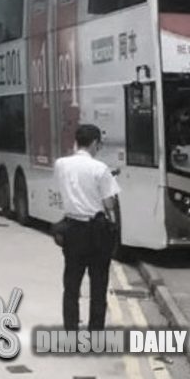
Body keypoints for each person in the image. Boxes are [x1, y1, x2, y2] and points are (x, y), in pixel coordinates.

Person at [54, 124, 121, 331]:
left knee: (72, 285)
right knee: (98, 285)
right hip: (96, 230)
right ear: (94, 143)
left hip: (72, 228)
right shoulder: (100, 169)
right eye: (98, 144)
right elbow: (109, 204)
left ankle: (71, 331)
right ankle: (95, 333)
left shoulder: (61, 164)